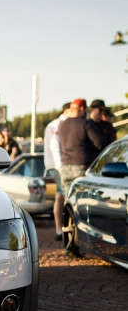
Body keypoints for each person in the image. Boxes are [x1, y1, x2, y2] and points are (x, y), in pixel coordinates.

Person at [57, 98, 104, 196]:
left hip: (65, 166)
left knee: (69, 199)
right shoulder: (85, 123)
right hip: (81, 166)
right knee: (82, 199)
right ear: (82, 108)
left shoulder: (62, 125)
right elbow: (99, 143)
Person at [43, 102, 70, 240]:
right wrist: (60, 167)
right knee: (60, 197)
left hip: (56, 166)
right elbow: (54, 147)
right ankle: (59, 230)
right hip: (56, 167)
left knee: (61, 197)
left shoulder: (58, 124)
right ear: (67, 110)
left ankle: (61, 229)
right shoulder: (56, 125)